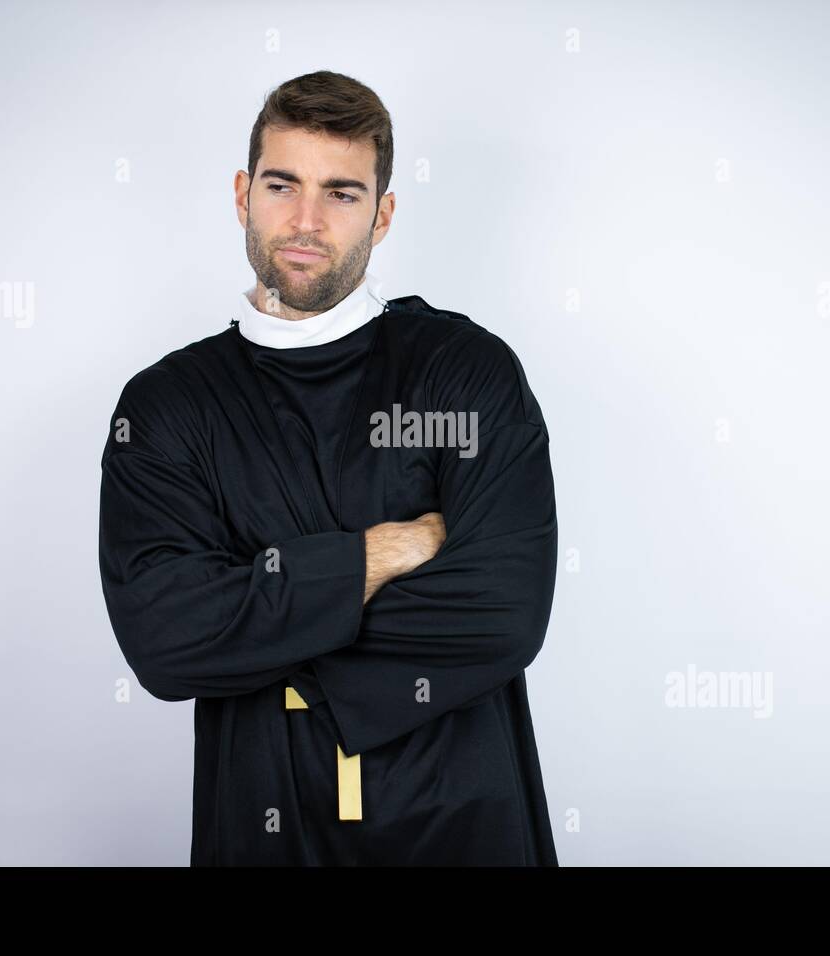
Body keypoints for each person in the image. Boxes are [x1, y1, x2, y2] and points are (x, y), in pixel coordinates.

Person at [98, 70, 558, 865]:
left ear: (381, 217)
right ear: (243, 193)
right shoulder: (168, 406)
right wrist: (383, 553)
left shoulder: (463, 371)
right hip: (264, 818)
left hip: (462, 820)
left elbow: (504, 610)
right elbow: (165, 640)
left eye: (342, 194)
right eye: (283, 185)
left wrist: (262, 613)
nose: (306, 221)